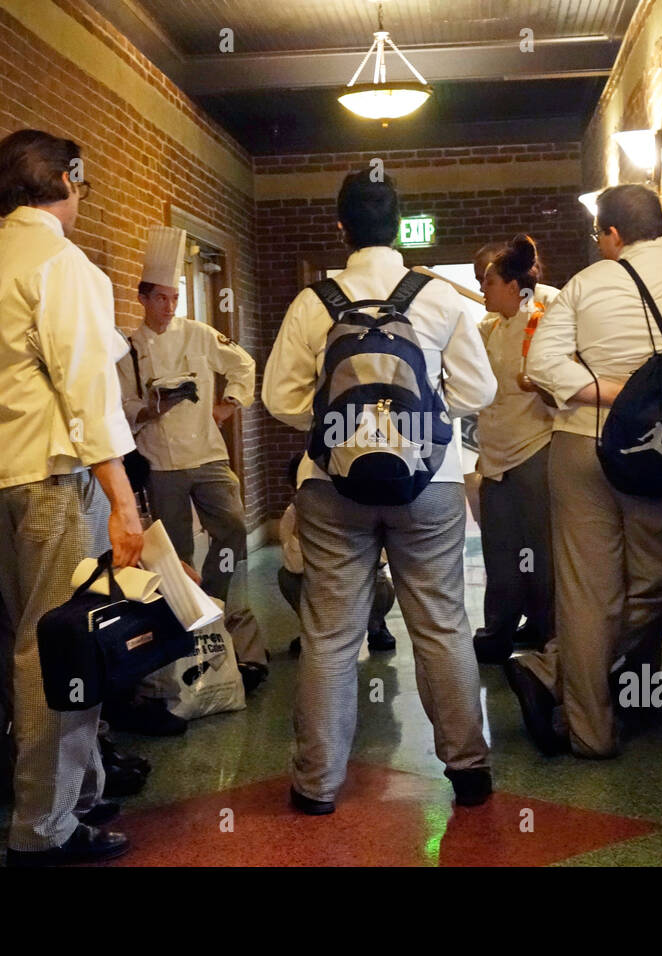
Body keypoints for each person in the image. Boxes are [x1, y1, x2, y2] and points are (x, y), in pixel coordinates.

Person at [0, 129, 142, 866]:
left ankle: (79, 792)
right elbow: (87, 386)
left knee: (29, 642)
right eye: (83, 183)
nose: (84, 197)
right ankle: (43, 828)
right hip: (49, 480)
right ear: (66, 182)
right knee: (58, 652)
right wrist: (125, 500)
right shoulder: (60, 263)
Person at [263, 170, 497, 814]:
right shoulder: (441, 298)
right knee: (442, 624)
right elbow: (480, 393)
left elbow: (278, 399)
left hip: (331, 487)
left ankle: (316, 785)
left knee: (331, 635)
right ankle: (468, 769)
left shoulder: (315, 302)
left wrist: (340, 426)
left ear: (342, 229)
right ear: (398, 227)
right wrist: (425, 417)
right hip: (431, 482)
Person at [503, 183, 662, 759]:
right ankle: (555, 681)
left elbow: (543, 364)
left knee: (588, 593)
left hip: (582, 447)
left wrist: (611, 392)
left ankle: (581, 719)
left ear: (611, 233)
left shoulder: (587, 283)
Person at [117, 225, 269, 701]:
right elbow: (121, 405)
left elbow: (243, 364)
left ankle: (226, 613)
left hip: (208, 455)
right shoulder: (128, 349)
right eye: (161, 299)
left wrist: (230, 404)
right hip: (161, 461)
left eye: (175, 298)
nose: (170, 307)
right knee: (174, 556)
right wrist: (149, 409)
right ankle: (183, 651)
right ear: (143, 299)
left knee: (233, 530)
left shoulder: (201, 335)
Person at [472, 235, 558, 664]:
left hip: (535, 448)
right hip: (494, 456)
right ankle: (497, 631)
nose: (482, 290)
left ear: (511, 286)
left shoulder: (547, 314)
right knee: (500, 550)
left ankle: (547, 632)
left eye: (488, 282)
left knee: (541, 550)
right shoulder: (489, 328)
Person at [277, 456, 397, 656]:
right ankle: (312, 630)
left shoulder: (362, 504)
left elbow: (382, 558)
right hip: (320, 583)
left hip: (357, 578)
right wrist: (301, 527)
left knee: (378, 582)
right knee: (287, 577)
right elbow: (294, 566)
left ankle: (376, 626)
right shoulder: (293, 515)